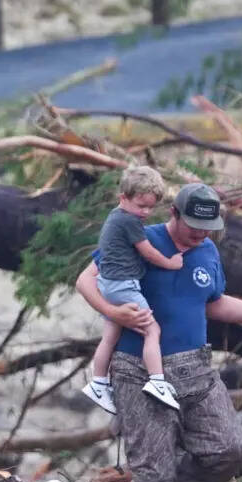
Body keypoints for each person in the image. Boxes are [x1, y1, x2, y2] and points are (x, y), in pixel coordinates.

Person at [74, 182, 242, 482]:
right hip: (138, 371)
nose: (200, 233)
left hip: (196, 368)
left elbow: (213, 303)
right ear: (174, 214)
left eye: (208, 227)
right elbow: (85, 281)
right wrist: (115, 312)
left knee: (230, 447)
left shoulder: (207, 250)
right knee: (152, 473)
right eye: (193, 225)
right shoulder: (138, 237)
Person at [81, 165, 183, 414]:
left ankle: (98, 382)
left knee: (110, 336)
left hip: (108, 284)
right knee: (152, 329)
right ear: (123, 197)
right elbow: (147, 252)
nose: (146, 212)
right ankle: (157, 381)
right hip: (122, 285)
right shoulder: (130, 222)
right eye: (141, 206)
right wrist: (171, 263)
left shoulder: (117, 216)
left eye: (150, 207)